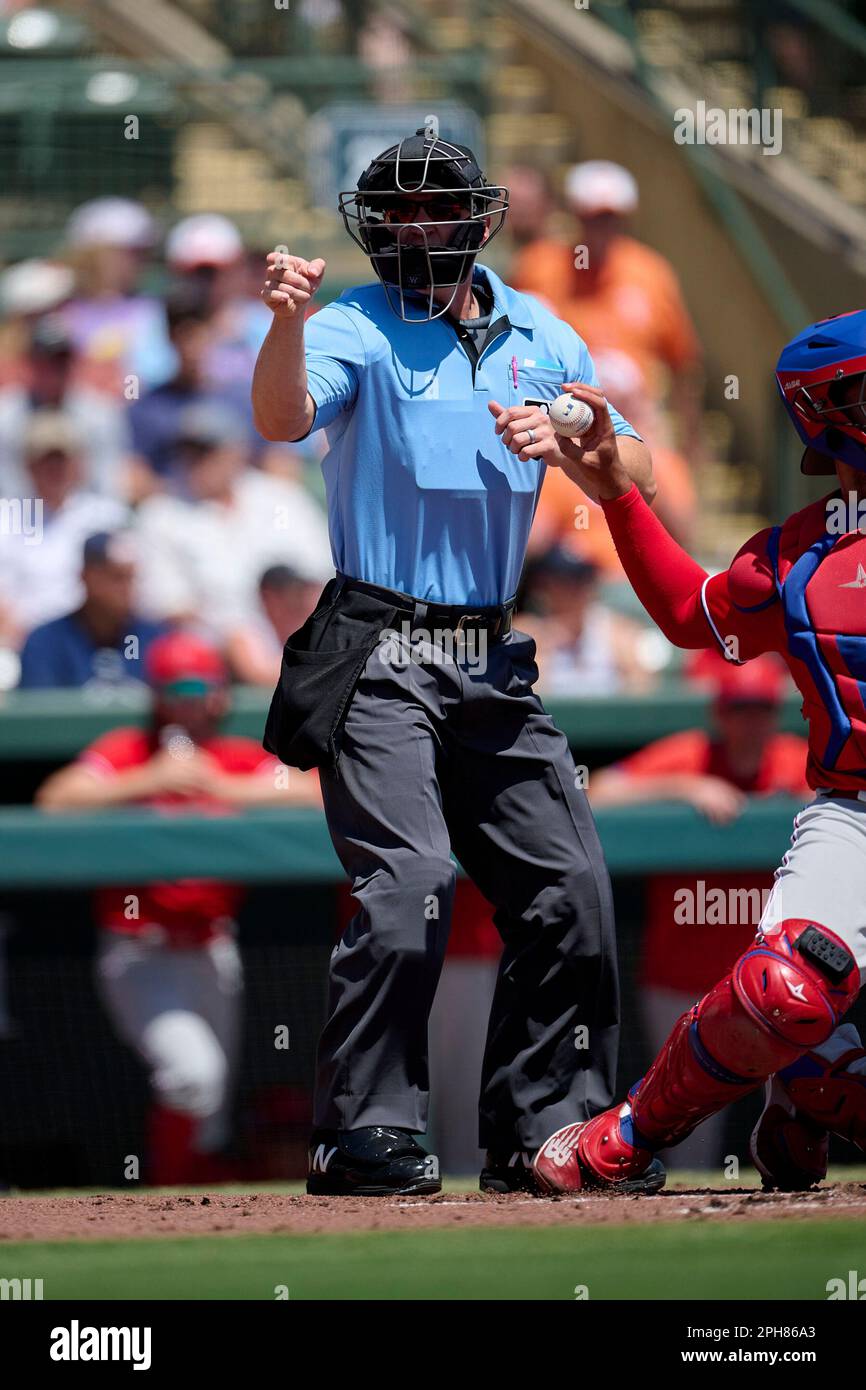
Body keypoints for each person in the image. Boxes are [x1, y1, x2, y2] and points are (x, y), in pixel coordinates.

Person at [252, 124, 658, 1197]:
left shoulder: (541, 329)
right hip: (380, 641)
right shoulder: (354, 322)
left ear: (479, 217)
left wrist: (578, 436)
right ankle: (362, 1132)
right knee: (411, 883)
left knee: (568, 886)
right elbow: (281, 414)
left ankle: (546, 1133)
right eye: (396, 209)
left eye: (437, 206)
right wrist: (286, 323)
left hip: (489, 655)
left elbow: (637, 460)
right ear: (373, 226)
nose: (416, 225)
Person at [534, 310, 866, 1196]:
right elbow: (691, 617)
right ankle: (631, 1133)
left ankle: (815, 1088)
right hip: (856, 813)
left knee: (821, 1050)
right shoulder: (802, 551)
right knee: (783, 989)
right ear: (825, 412)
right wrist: (615, 493)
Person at [36, 630, 322, 1185]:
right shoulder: (128, 751)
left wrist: (220, 787)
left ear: (219, 694)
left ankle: (185, 1227)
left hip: (213, 950)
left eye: (202, 687)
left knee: (209, 1117)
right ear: (158, 693)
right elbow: (56, 797)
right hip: (141, 949)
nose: (192, 700)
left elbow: (310, 791)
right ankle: (157, 1200)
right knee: (192, 1077)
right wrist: (149, 779)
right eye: (178, 688)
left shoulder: (230, 758)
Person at [591, 655, 809, 1167]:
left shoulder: (794, 759)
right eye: (739, 708)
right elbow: (597, 791)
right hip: (681, 980)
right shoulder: (690, 755)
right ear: (721, 712)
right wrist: (687, 788)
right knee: (686, 1135)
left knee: (791, 1124)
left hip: (772, 985)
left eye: (760, 708)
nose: (750, 721)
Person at [510, 161, 703, 461]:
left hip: (634, 428)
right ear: (575, 216)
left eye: (610, 218)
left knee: (674, 499)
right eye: (592, 218)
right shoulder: (540, 268)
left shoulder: (651, 274)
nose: (601, 228)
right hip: (558, 425)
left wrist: (691, 442)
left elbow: (682, 363)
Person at [134, 401, 331, 637]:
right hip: (219, 645)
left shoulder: (281, 497)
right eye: (188, 454)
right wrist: (236, 635)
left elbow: (321, 572)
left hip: (301, 628)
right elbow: (168, 604)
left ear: (236, 451)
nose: (196, 463)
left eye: (207, 451)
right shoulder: (162, 516)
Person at [0, 411, 128, 644]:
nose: (55, 469)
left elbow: (122, 582)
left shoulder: (107, 516)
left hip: (93, 638)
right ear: (28, 465)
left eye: (62, 460)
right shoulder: (6, 517)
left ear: (80, 463)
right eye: (45, 460)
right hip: (22, 640)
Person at [0, 314, 131, 501]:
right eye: (45, 360)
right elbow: (7, 485)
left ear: (73, 362)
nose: (53, 369)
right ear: (29, 363)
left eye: (61, 360)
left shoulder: (101, 414)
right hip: (22, 515)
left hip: (83, 514)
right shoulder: (6, 415)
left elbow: (107, 484)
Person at [18, 530, 165, 690]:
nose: (127, 589)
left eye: (132, 578)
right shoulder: (46, 643)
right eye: (117, 578)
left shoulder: (154, 640)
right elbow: (41, 710)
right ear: (86, 577)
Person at [521, 546, 657, 695]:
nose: (577, 590)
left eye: (582, 580)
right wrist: (542, 653)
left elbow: (643, 691)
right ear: (545, 585)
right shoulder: (527, 633)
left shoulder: (617, 632)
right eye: (565, 582)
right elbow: (522, 698)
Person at [225, 564, 321, 687]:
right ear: (268, 597)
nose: (299, 600)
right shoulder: (244, 632)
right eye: (292, 593)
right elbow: (258, 676)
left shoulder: (298, 631)